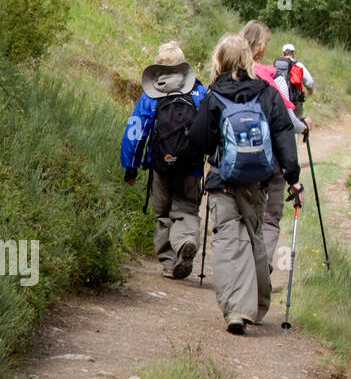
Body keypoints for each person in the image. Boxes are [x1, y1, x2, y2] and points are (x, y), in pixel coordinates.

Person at [188, 34, 302, 334]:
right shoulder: (267, 93)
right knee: (254, 237)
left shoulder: (214, 94)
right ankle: (257, 305)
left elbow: (199, 141)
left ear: (220, 60)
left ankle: (236, 309)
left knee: (228, 239)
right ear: (248, 60)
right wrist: (293, 178)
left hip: (223, 180)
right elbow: (283, 134)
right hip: (256, 182)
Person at [121, 41, 208, 280]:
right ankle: (186, 241)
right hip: (190, 167)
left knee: (163, 214)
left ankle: (170, 263)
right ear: (182, 67)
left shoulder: (151, 96)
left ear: (157, 68)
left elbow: (136, 132)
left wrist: (131, 166)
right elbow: (210, 127)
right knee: (187, 209)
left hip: (159, 166)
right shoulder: (199, 92)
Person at [239, 20, 308, 270]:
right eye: (265, 43)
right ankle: (262, 263)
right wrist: (304, 126)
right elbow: (285, 124)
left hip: (236, 161)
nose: (267, 48)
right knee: (269, 218)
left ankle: (244, 265)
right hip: (272, 163)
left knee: (243, 217)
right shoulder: (272, 78)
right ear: (258, 45)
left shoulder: (228, 74)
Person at [273, 44, 315, 118]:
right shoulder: (298, 65)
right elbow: (310, 82)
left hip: (279, 100)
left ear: (283, 53)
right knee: (296, 121)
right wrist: (310, 90)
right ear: (293, 54)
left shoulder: (276, 64)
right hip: (294, 100)